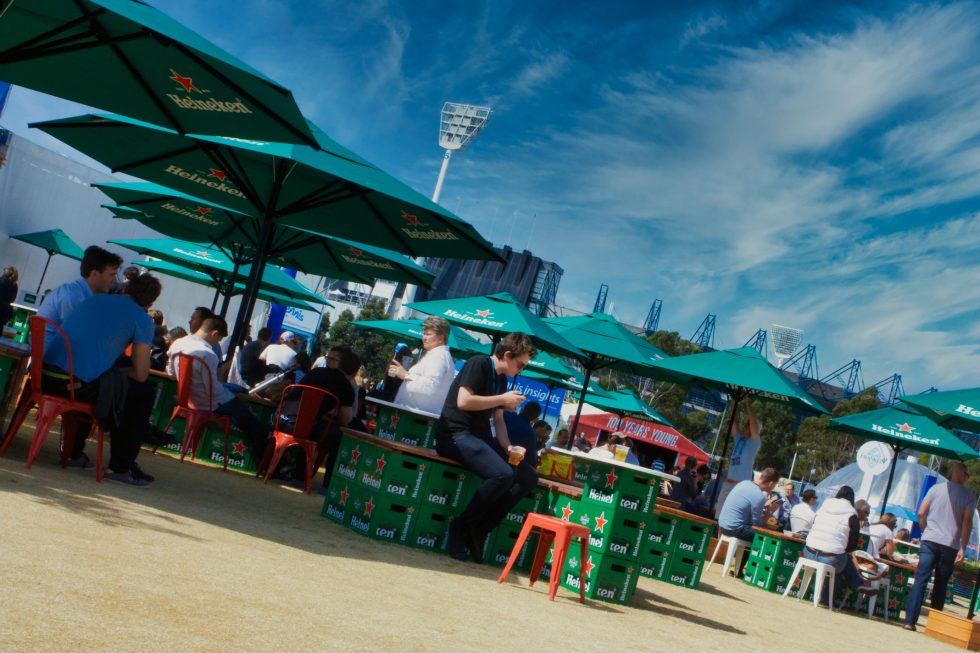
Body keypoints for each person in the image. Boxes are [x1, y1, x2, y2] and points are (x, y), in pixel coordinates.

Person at [43, 273, 161, 485]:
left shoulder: (94, 299)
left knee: (107, 383)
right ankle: (120, 467)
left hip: (45, 374)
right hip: (74, 385)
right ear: (150, 303)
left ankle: (74, 453)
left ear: (126, 289)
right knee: (142, 393)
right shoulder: (142, 319)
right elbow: (141, 374)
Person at [435, 331, 537, 563]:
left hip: (479, 438)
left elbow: (499, 421)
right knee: (502, 474)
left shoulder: (500, 380)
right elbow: (464, 401)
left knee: (527, 476)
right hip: (455, 435)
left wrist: (509, 447)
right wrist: (501, 399)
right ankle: (461, 527)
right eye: (520, 365)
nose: (521, 370)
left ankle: (480, 529)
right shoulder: (478, 363)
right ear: (508, 355)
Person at [167, 316, 270, 459]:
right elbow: (213, 390)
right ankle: (262, 462)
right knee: (253, 423)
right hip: (209, 403)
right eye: (218, 339)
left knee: (235, 390)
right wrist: (229, 391)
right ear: (214, 334)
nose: (217, 343)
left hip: (187, 398)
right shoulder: (208, 354)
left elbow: (171, 374)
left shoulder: (178, 343)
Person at [904, 463, 976, 632]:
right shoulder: (969, 496)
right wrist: (963, 548)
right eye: (968, 475)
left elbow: (921, 513)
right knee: (941, 584)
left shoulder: (935, 489)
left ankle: (909, 621)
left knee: (920, 580)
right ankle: (934, 626)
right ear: (964, 475)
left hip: (930, 539)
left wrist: (925, 530)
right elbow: (967, 522)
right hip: (949, 544)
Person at [280, 348, 361, 485]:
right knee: (340, 436)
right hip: (307, 429)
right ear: (354, 372)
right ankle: (328, 483)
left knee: (310, 423)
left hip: (282, 420)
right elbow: (346, 421)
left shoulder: (316, 372)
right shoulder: (346, 387)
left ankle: (297, 474)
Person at [803, 485, 871, 604]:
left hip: (808, 551)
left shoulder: (823, 507)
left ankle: (854, 585)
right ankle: (855, 585)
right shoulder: (852, 515)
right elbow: (852, 545)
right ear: (852, 499)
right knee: (842, 562)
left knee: (840, 562)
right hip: (830, 558)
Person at [38, 245, 122, 330]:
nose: (115, 280)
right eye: (112, 275)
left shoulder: (76, 292)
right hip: (55, 343)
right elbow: (81, 336)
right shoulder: (74, 297)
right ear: (95, 274)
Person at [717, 467, 781, 575]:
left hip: (723, 526)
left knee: (753, 534)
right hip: (734, 529)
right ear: (771, 483)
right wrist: (770, 511)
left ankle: (738, 569)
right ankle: (743, 571)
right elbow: (758, 525)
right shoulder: (758, 495)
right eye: (774, 485)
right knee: (763, 538)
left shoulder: (744, 483)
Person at [389, 316, 456, 415]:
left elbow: (430, 386)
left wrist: (406, 375)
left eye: (428, 334)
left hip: (417, 417)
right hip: (414, 414)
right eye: (424, 334)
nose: (424, 338)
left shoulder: (439, 356)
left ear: (441, 338)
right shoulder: (438, 355)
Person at [715, 396, 761, 517]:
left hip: (739, 486)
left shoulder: (755, 442)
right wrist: (734, 403)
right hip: (728, 483)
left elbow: (753, 423)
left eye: (748, 425)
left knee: (730, 516)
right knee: (719, 516)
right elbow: (734, 422)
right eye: (746, 424)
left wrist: (747, 403)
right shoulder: (739, 439)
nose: (746, 426)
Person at [502, 401, 541, 468]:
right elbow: (532, 460)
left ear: (522, 409)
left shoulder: (505, 415)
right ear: (535, 418)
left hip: (492, 451)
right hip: (509, 463)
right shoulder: (530, 433)